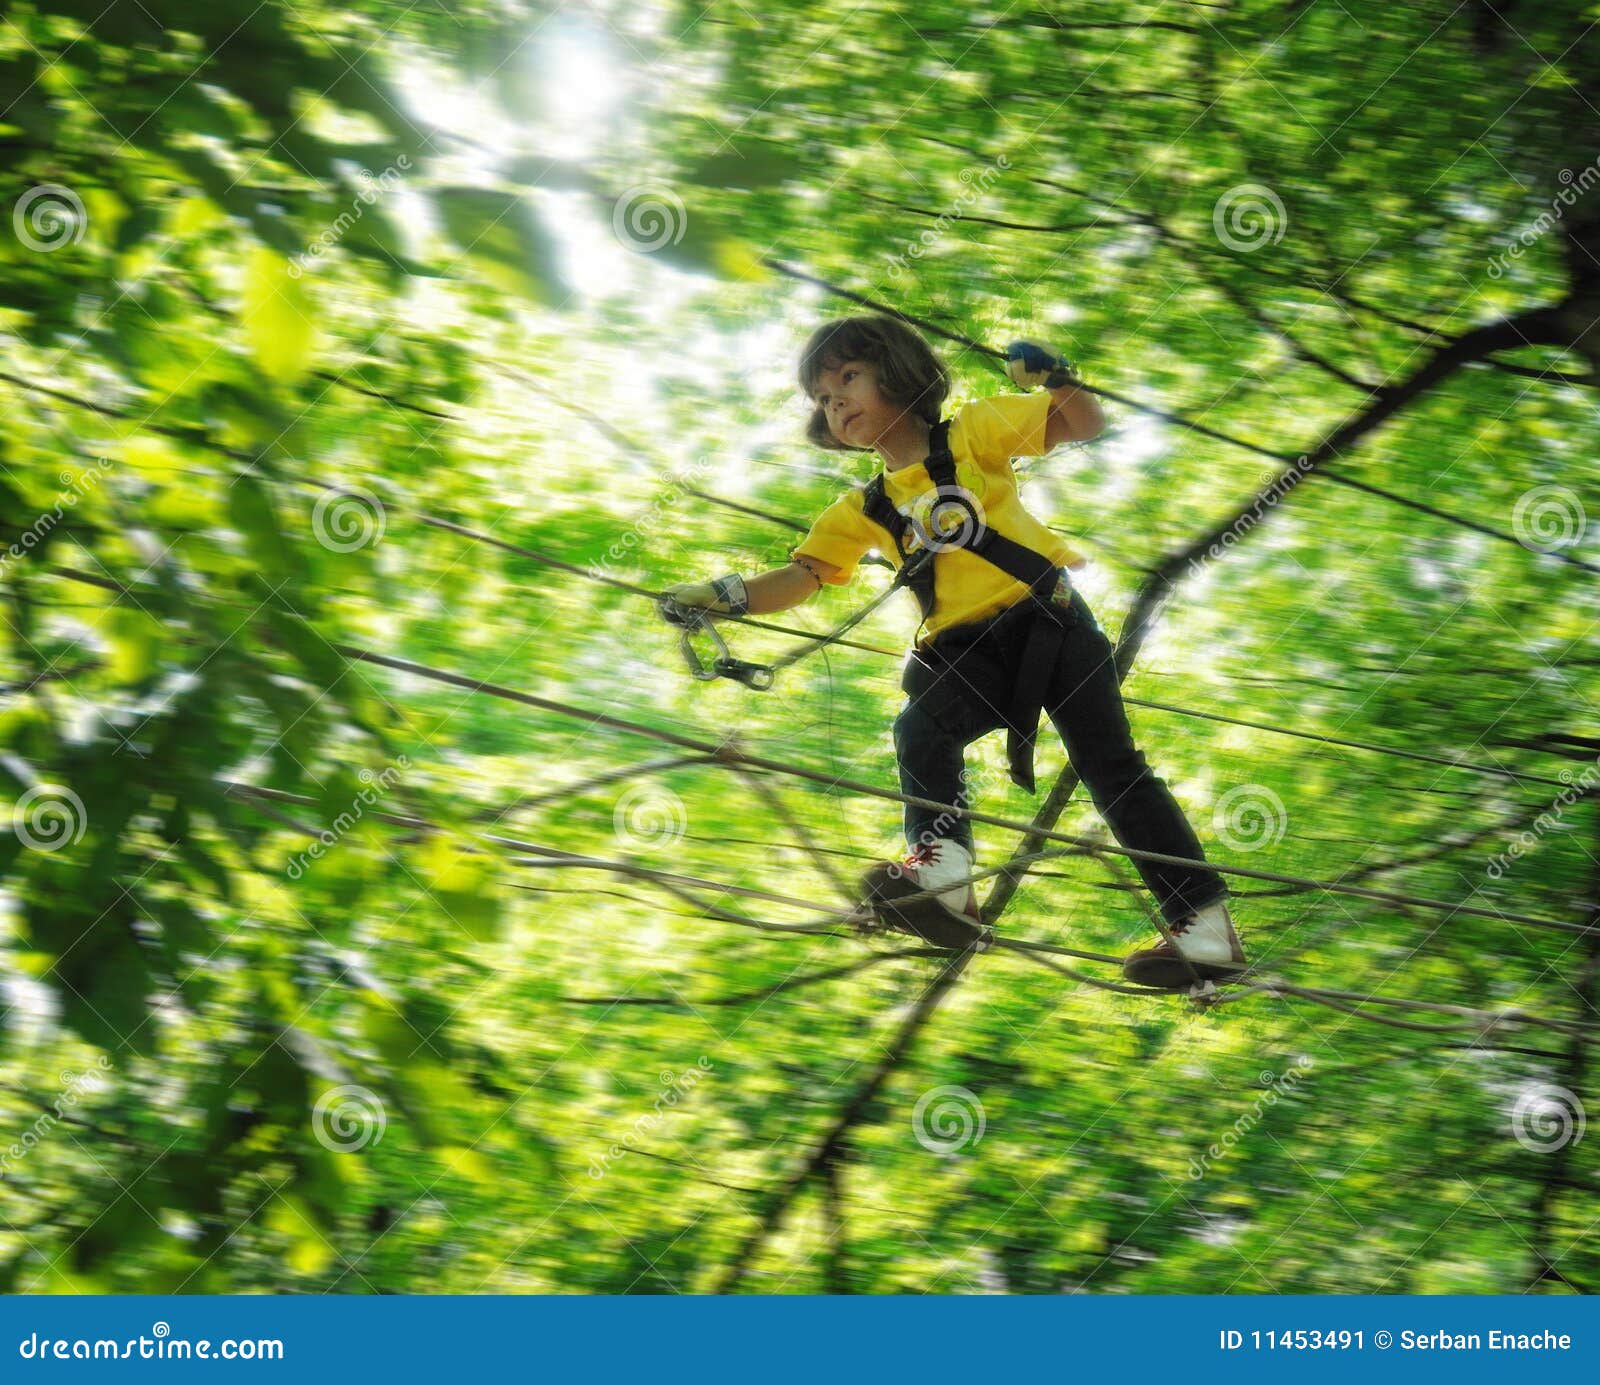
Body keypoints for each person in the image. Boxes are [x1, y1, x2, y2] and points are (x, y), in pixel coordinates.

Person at [664, 314, 1245, 990]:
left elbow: (1083, 424)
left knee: (1111, 766)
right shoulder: (862, 508)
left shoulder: (973, 433)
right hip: (969, 651)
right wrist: (718, 594)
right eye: (823, 398)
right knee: (920, 728)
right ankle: (943, 879)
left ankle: (1205, 930)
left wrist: (1056, 379)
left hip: (1049, 621)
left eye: (848, 378)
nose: (837, 401)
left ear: (899, 375)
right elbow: (803, 576)